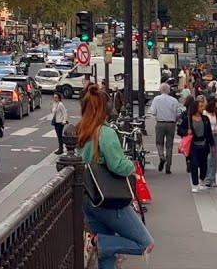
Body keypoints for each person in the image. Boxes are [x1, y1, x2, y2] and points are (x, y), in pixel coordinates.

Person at [77, 85, 152, 269]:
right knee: (145, 243)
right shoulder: (105, 132)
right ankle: (100, 242)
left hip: (89, 199)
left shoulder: (81, 131)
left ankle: (102, 243)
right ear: (105, 108)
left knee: (108, 256)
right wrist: (131, 166)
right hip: (110, 199)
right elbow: (117, 165)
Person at [178, 95, 215, 193]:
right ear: (195, 107)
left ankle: (201, 180)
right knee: (194, 164)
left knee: (204, 165)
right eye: (200, 107)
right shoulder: (188, 118)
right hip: (193, 145)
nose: (202, 108)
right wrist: (186, 131)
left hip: (204, 144)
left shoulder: (205, 119)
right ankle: (195, 184)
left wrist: (212, 144)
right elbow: (179, 129)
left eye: (203, 107)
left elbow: (209, 133)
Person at [149, 83, 181, 174]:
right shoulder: (174, 100)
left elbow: (153, 112)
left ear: (160, 90)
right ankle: (168, 167)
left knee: (159, 142)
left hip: (160, 123)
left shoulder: (156, 99)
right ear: (168, 90)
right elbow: (178, 113)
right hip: (171, 124)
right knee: (169, 145)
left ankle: (161, 157)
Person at [204, 95, 217, 188]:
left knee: (214, 159)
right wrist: (213, 129)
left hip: (216, 137)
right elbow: (205, 126)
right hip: (208, 137)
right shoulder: (205, 113)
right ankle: (208, 178)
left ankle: (212, 179)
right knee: (209, 158)